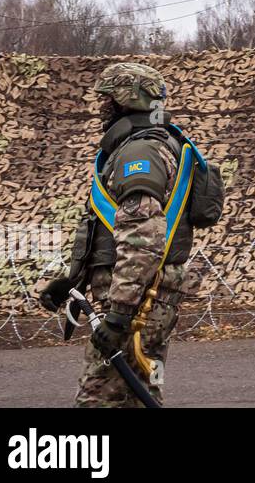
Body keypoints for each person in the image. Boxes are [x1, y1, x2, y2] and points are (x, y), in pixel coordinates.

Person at [39, 62, 223, 407]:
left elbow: (143, 238)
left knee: (101, 402)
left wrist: (119, 316)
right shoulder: (147, 145)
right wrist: (72, 282)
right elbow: (112, 229)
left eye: (106, 99)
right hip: (142, 298)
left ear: (126, 100)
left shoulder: (140, 152)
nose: (101, 107)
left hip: (138, 303)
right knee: (135, 398)